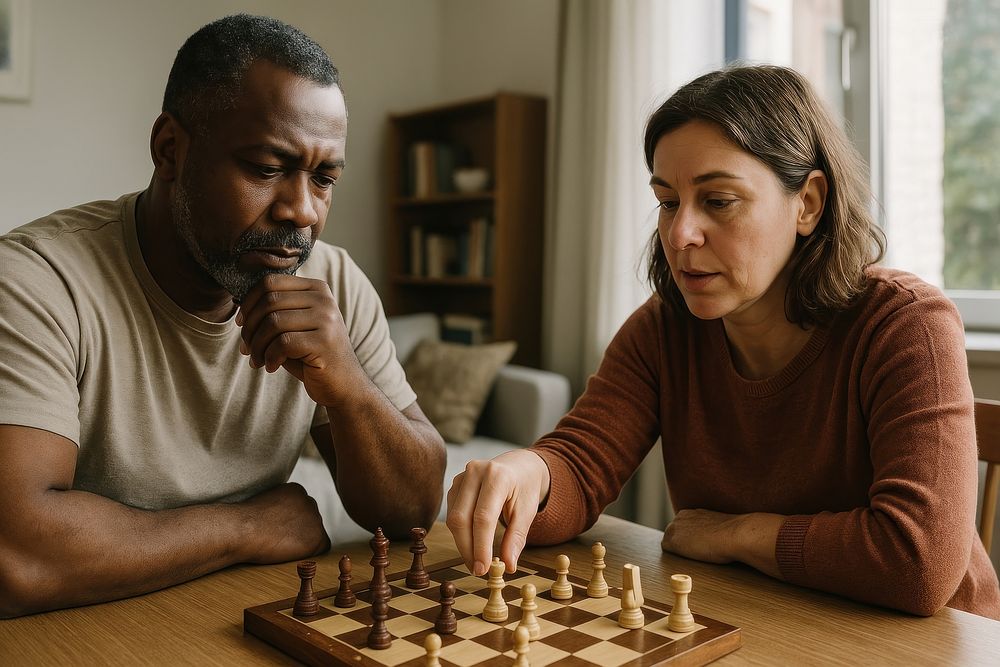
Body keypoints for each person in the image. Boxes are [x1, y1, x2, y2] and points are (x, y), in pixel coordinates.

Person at [446, 65, 1000, 619]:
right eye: (667, 201)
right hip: (760, 619)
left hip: (936, 644)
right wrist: (531, 473)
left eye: (719, 200)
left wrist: (740, 535)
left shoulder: (907, 325)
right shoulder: (665, 329)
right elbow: (581, 465)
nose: (680, 234)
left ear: (807, 203)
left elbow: (918, 563)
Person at [0, 14, 446, 618]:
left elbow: (414, 511)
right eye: (266, 169)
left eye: (324, 178)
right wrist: (247, 528)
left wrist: (347, 386)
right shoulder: (35, 281)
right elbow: (17, 555)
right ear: (169, 150)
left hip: (247, 618)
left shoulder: (333, 282)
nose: (301, 212)